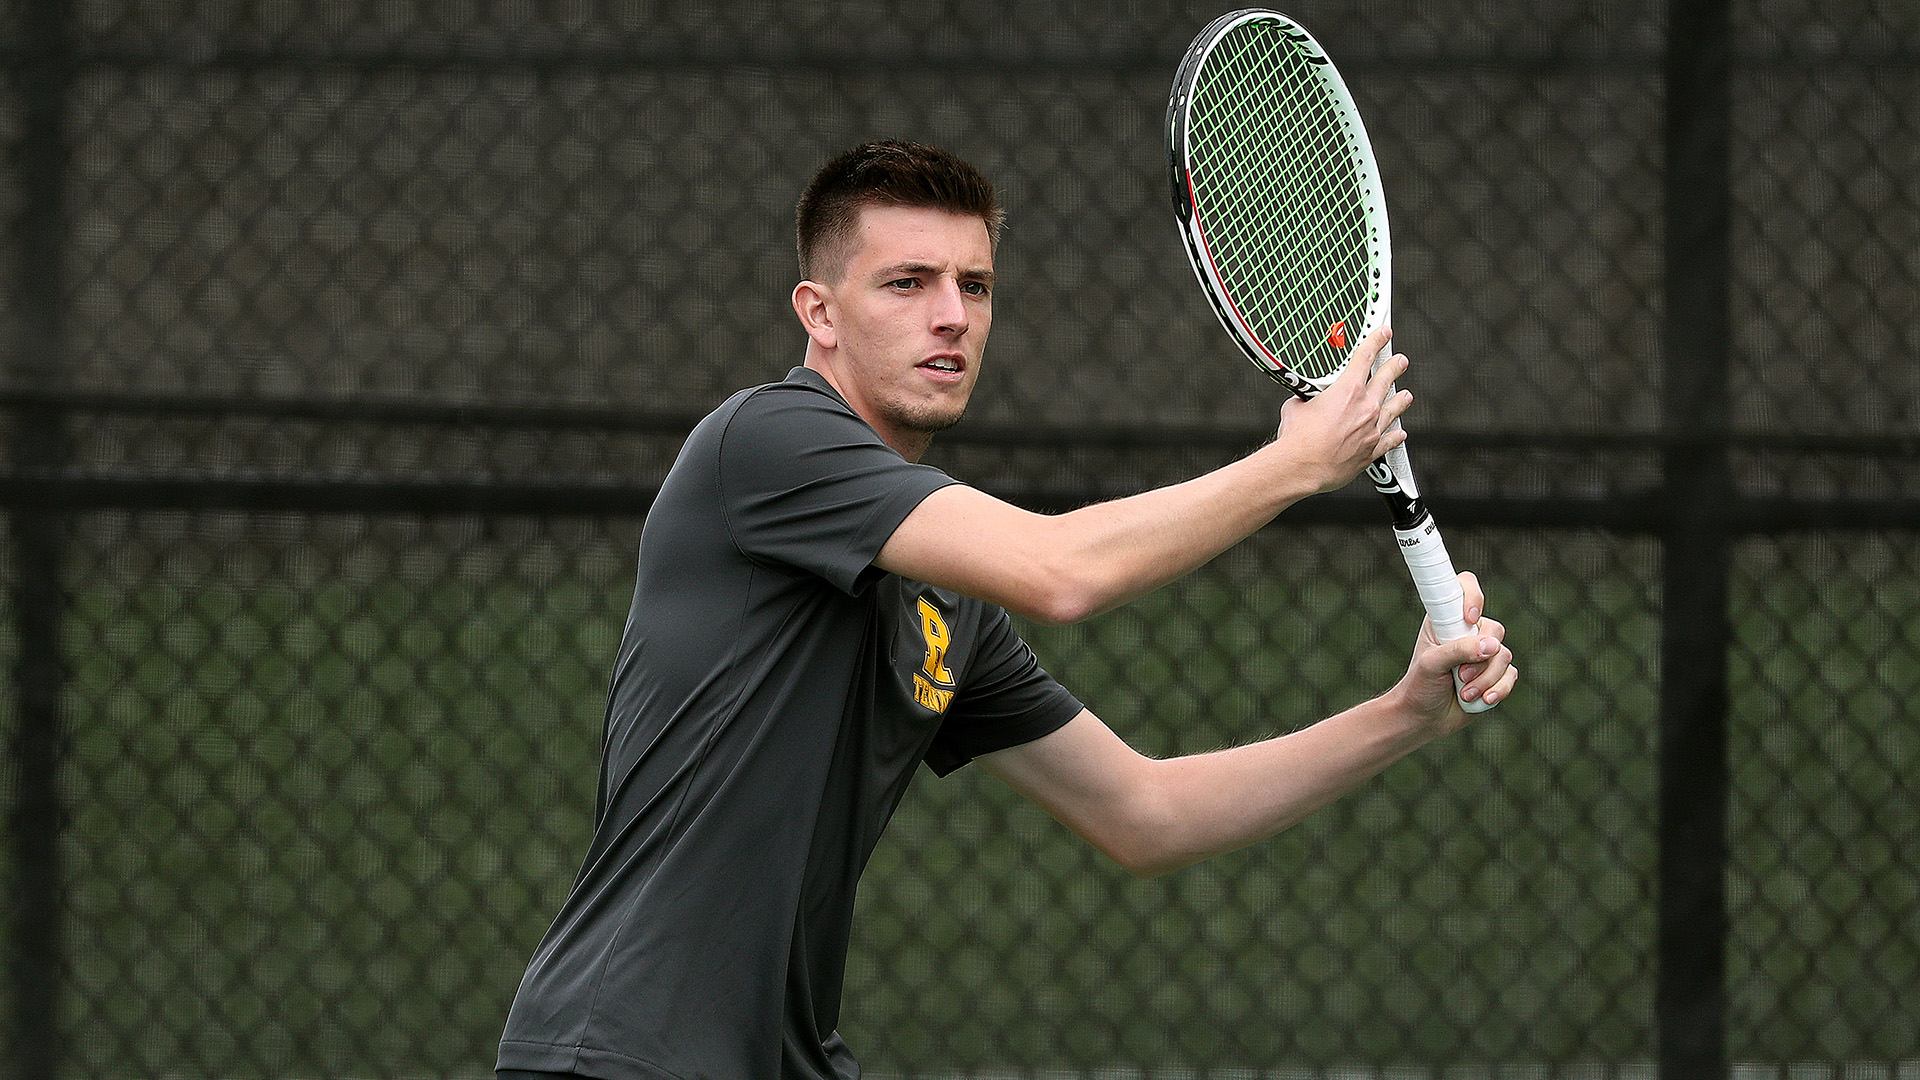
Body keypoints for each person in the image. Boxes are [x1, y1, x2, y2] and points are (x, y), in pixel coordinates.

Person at [496, 139, 1516, 1080]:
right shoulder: (764, 443)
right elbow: (1061, 571)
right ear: (818, 313)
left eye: (974, 286)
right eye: (907, 283)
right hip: (621, 1054)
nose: (952, 315)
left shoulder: (945, 602)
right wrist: (1296, 466)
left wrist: (1405, 714)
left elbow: (1145, 814)